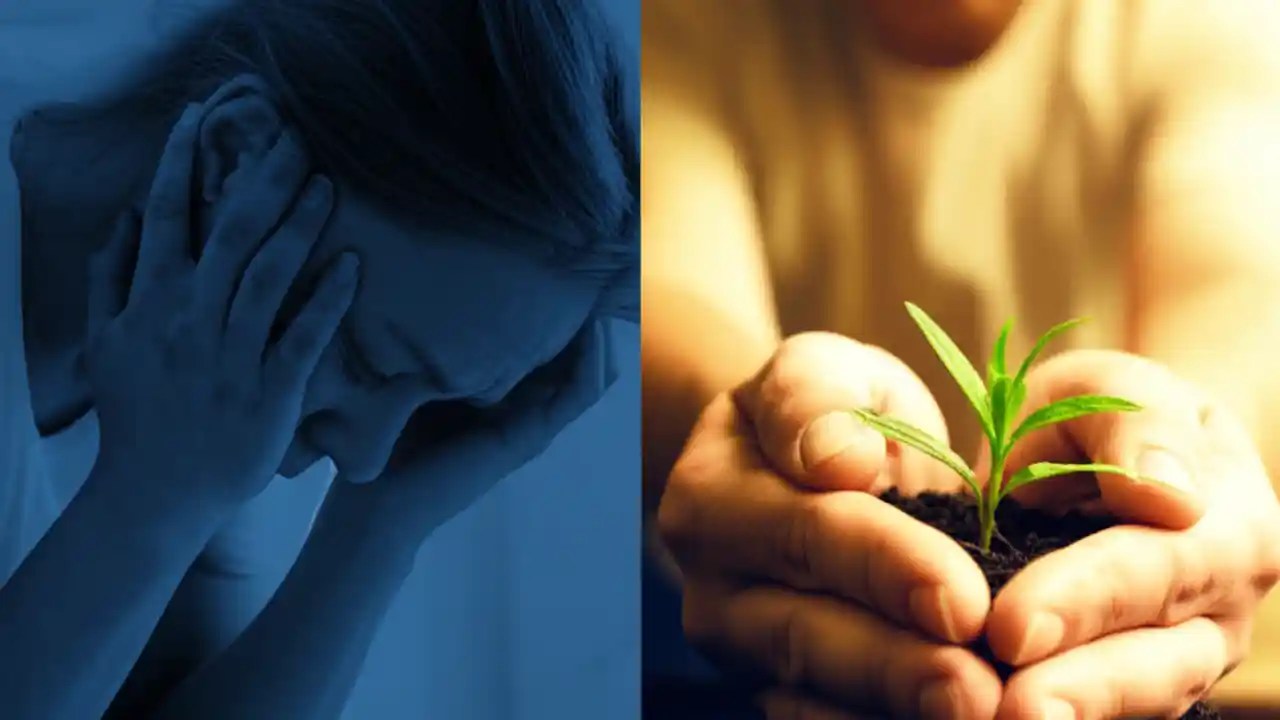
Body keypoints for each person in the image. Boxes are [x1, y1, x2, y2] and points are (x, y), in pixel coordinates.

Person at [642, 0, 1280, 718]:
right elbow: (667, 282)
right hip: (810, 680)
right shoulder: (680, 24)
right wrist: (759, 428)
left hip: (1221, 684)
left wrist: (1185, 438)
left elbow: (1235, 277)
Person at [0, 1, 637, 718]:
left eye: (438, 398)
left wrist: (379, 526)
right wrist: (153, 499)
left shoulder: (210, 365)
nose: (363, 455)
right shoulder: (199, 406)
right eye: (368, 358)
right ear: (234, 158)